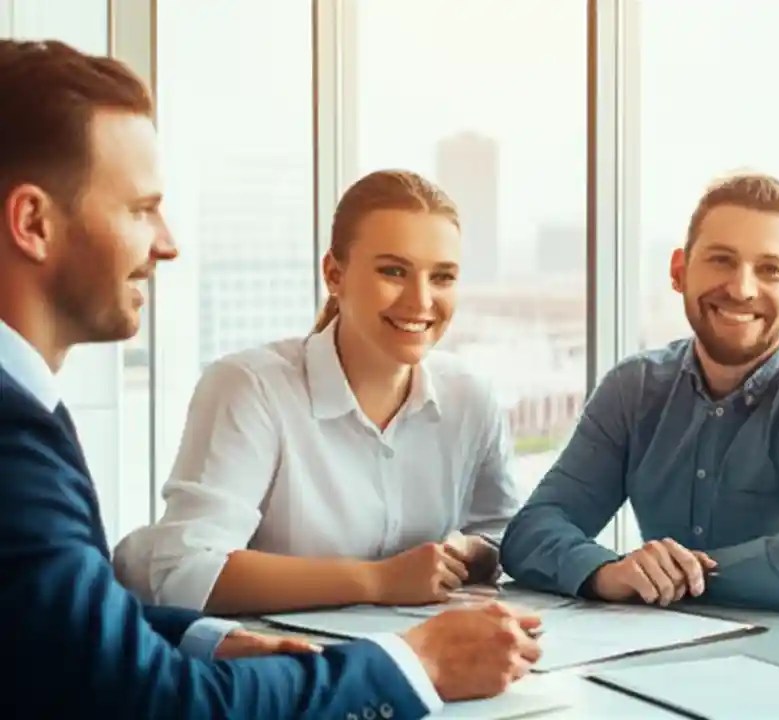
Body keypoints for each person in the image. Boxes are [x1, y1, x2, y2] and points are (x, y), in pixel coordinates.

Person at [0, 39, 539, 718]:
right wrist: (416, 661)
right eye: (141, 209)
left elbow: (68, 635)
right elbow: (138, 693)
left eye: (444, 275)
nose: (167, 243)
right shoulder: (15, 438)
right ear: (33, 223)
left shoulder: (26, 416)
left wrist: (210, 642)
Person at [112, 169, 520, 615]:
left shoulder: (471, 397)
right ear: (334, 274)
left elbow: (503, 534)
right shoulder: (249, 388)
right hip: (278, 666)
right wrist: (378, 580)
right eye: (394, 271)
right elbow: (184, 573)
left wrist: (473, 553)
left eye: (442, 278)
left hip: (424, 658)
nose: (421, 300)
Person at [500, 172, 779, 616]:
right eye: (722, 260)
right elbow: (530, 534)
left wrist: (662, 579)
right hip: (658, 656)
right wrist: (609, 573)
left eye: (770, 270)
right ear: (679, 271)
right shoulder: (635, 389)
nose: (742, 288)